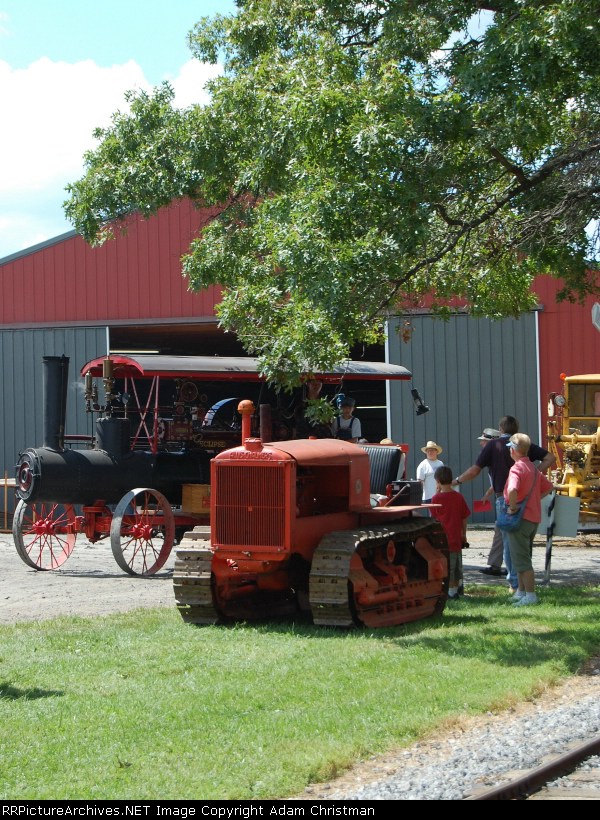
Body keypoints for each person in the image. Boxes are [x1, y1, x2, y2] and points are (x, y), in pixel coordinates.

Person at [451, 416, 556, 594]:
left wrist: (457, 480)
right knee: (522, 545)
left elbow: (476, 470)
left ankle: (516, 586)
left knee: (510, 545)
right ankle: (522, 586)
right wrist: (534, 473)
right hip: (529, 503)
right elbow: (550, 457)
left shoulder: (494, 445)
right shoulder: (524, 445)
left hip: (507, 499)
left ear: (500, 429)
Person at [504, 433, 554, 606]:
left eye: (510, 447)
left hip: (519, 518)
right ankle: (521, 592)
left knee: (522, 559)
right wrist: (533, 499)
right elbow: (549, 487)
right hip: (533, 518)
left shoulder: (516, 468)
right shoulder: (532, 467)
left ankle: (531, 596)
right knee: (521, 556)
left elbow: (512, 489)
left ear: (514, 450)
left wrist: (512, 506)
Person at [430, 465, 471, 600]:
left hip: (442, 539)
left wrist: (436, 493)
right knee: (456, 567)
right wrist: (463, 534)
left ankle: (450, 592)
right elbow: (464, 517)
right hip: (456, 537)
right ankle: (454, 590)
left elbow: (433, 518)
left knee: (446, 566)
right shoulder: (458, 497)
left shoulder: (436, 499)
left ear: (438, 481)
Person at [476, 428, 507, 578]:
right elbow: (497, 481)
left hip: (506, 499)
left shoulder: (497, 456)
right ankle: (497, 565)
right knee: (501, 532)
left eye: (484, 441)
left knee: (501, 531)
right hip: (503, 497)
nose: (482, 444)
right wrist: (488, 494)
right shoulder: (497, 457)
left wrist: (457, 480)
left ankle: (497, 566)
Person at [416, 441, 444, 512]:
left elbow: (443, 480)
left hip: (441, 495)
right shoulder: (423, 465)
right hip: (429, 497)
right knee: (433, 516)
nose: (429, 452)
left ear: (436, 451)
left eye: (431, 450)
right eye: (428, 451)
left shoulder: (440, 464)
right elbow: (420, 482)